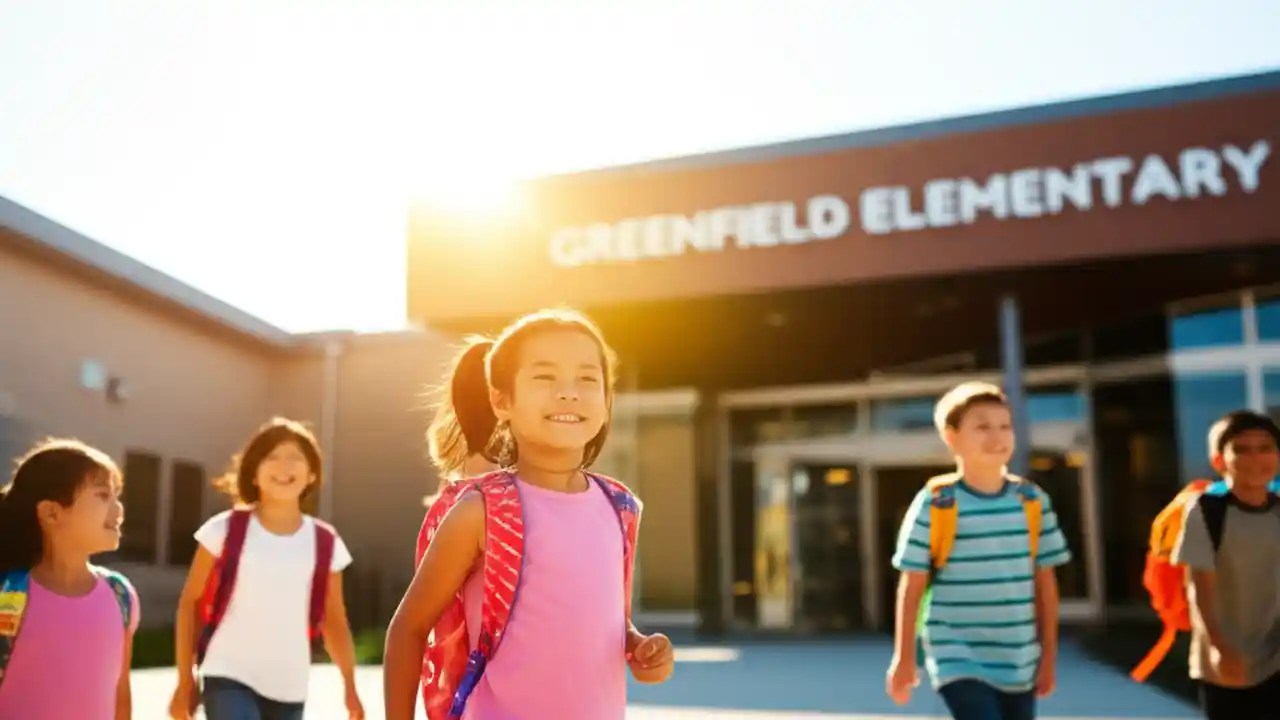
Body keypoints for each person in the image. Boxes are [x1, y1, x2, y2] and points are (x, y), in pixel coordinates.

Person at [384, 308, 675, 720]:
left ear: (607, 402)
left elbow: (610, 623)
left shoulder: (620, 508)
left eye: (588, 379)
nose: (569, 392)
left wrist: (641, 648)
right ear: (501, 400)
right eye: (545, 377)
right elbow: (408, 629)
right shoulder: (481, 512)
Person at [886, 381, 1071, 720]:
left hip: (1019, 658)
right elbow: (911, 585)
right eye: (982, 426)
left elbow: (1046, 586)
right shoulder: (938, 501)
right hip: (956, 653)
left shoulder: (1032, 501)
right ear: (952, 436)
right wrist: (904, 656)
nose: (996, 436)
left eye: (1005, 426)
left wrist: (1048, 659)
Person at [169, 417, 363, 720]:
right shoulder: (222, 530)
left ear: (312, 474)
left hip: (290, 688)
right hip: (227, 675)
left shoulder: (325, 542)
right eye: (272, 457)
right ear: (254, 474)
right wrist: (185, 681)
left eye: (295, 458)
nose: (283, 467)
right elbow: (189, 604)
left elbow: (335, 620)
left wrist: (350, 686)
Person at [0, 438, 139, 720]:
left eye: (117, 496)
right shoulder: (8, 594)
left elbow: (120, 690)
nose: (119, 509)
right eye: (102, 495)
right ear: (51, 513)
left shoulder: (120, 595)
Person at [1172, 410, 1280, 719]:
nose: (1255, 458)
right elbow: (1199, 589)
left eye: (1265, 448)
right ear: (1219, 461)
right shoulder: (1206, 512)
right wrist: (1220, 648)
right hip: (1226, 663)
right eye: (1241, 449)